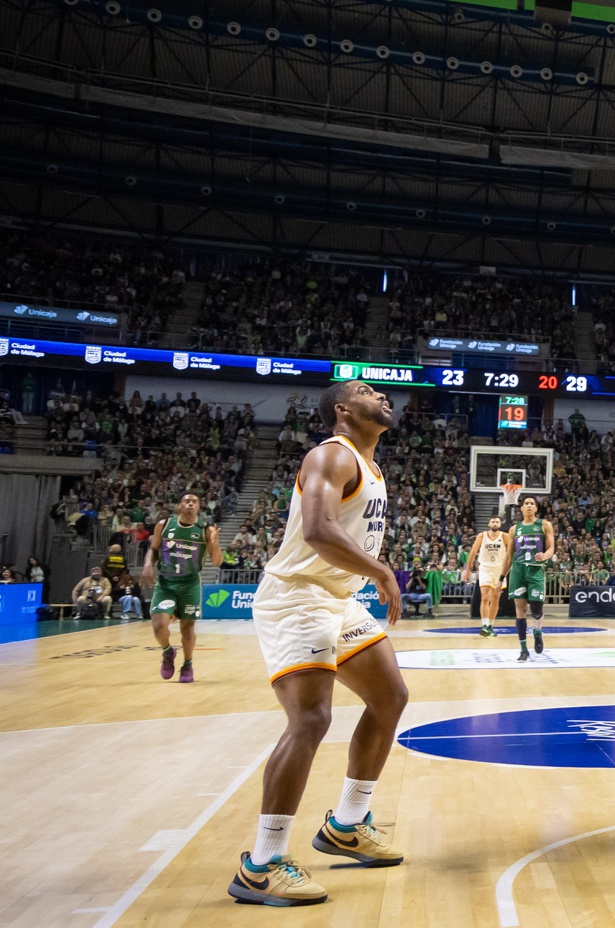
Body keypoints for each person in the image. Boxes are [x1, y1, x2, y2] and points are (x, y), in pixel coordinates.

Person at [231, 381, 407, 907]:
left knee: (389, 697)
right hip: (298, 596)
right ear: (342, 409)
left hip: (337, 598)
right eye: (368, 391)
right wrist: (382, 571)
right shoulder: (331, 455)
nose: (382, 396)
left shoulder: (370, 466)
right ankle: (261, 865)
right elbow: (317, 529)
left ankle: (347, 825)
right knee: (310, 719)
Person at [141, 493, 221, 684]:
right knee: (159, 626)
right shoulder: (164, 525)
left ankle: (187, 664)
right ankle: (168, 652)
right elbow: (153, 549)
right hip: (166, 583)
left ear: (199, 507)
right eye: (187, 501)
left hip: (189, 584)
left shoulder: (204, 530)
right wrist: (147, 565)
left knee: (187, 629)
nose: (190, 504)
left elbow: (217, 562)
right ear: (180, 505)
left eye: (194, 501)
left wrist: (215, 544)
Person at [507, 496, 555, 661]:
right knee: (519, 608)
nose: (528, 506)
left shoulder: (544, 525)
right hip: (518, 570)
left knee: (536, 610)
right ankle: (523, 649)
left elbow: (551, 548)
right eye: (525, 503)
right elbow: (508, 555)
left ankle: (537, 631)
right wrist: (500, 577)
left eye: (531, 504)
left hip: (535, 570)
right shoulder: (514, 529)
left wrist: (545, 555)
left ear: (536, 508)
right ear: (521, 508)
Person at [462, 516, 510, 638]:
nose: (495, 523)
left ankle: (490, 626)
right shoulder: (482, 536)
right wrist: (467, 570)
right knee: (485, 596)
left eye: (497, 522)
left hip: (499, 569)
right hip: (485, 568)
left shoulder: (505, 536)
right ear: (489, 524)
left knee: (495, 598)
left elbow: (511, 552)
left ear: (500, 524)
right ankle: (484, 625)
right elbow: (473, 552)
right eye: (493, 521)